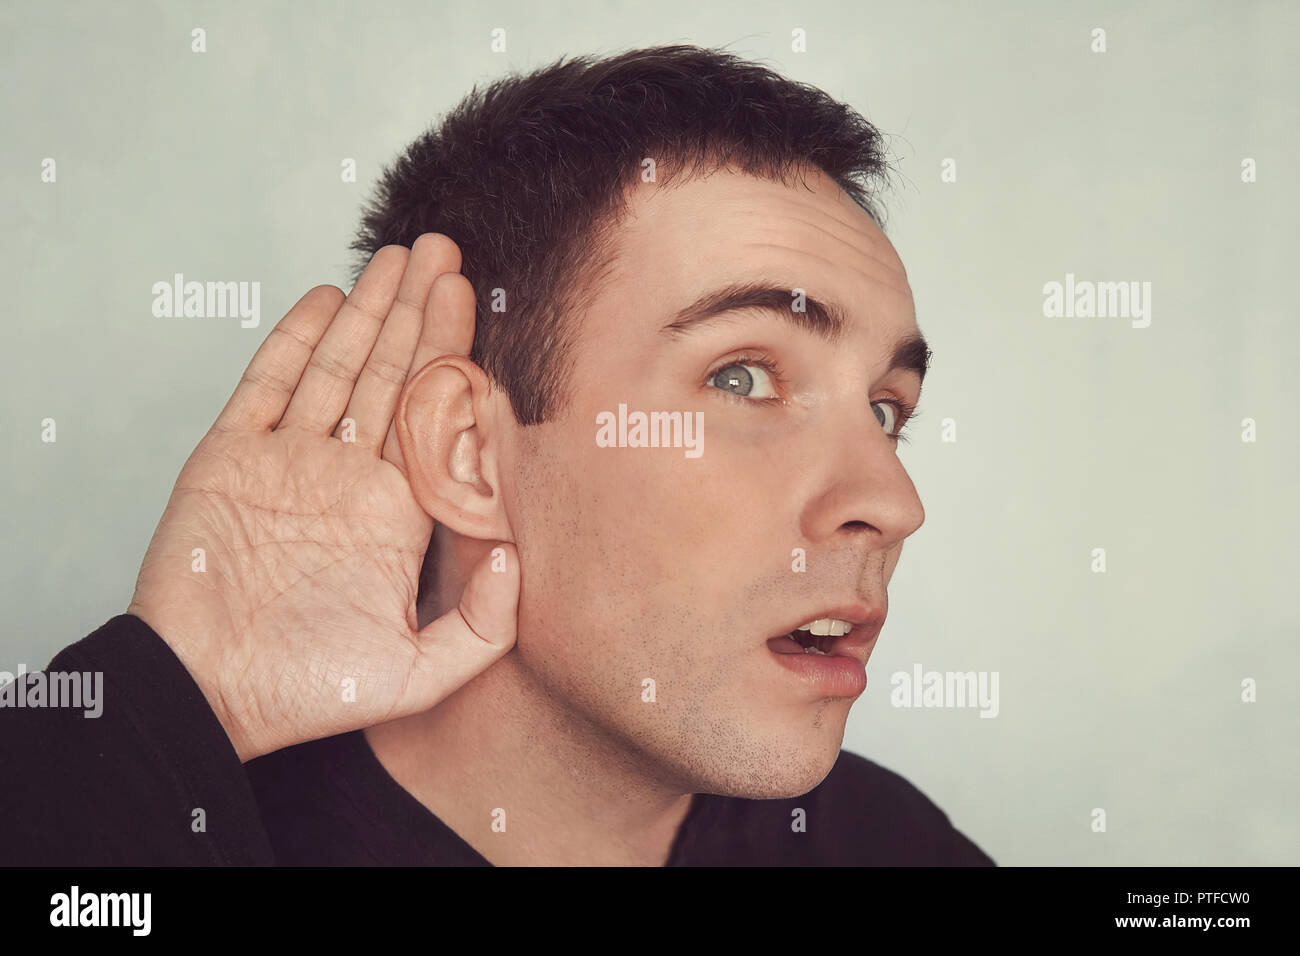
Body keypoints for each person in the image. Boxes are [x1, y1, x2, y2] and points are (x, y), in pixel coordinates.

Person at [1, 44, 992, 866]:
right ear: (471, 453)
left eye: (884, 406)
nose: (891, 499)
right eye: (740, 376)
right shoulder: (163, 833)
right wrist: (155, 713)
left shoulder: (895, 846)